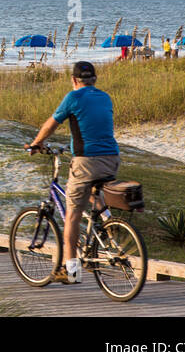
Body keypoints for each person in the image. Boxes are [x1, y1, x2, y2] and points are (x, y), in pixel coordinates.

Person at [26, 60, 119, 284]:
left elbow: (51, 124)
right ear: (94, 79)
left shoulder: (73, 97)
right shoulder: (104, 97)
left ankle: (72, 272)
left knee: (72, 215)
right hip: (112, 158)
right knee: (88, 189)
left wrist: (36, 143)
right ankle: (105, 221)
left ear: (74, 80)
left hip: (87, 160)